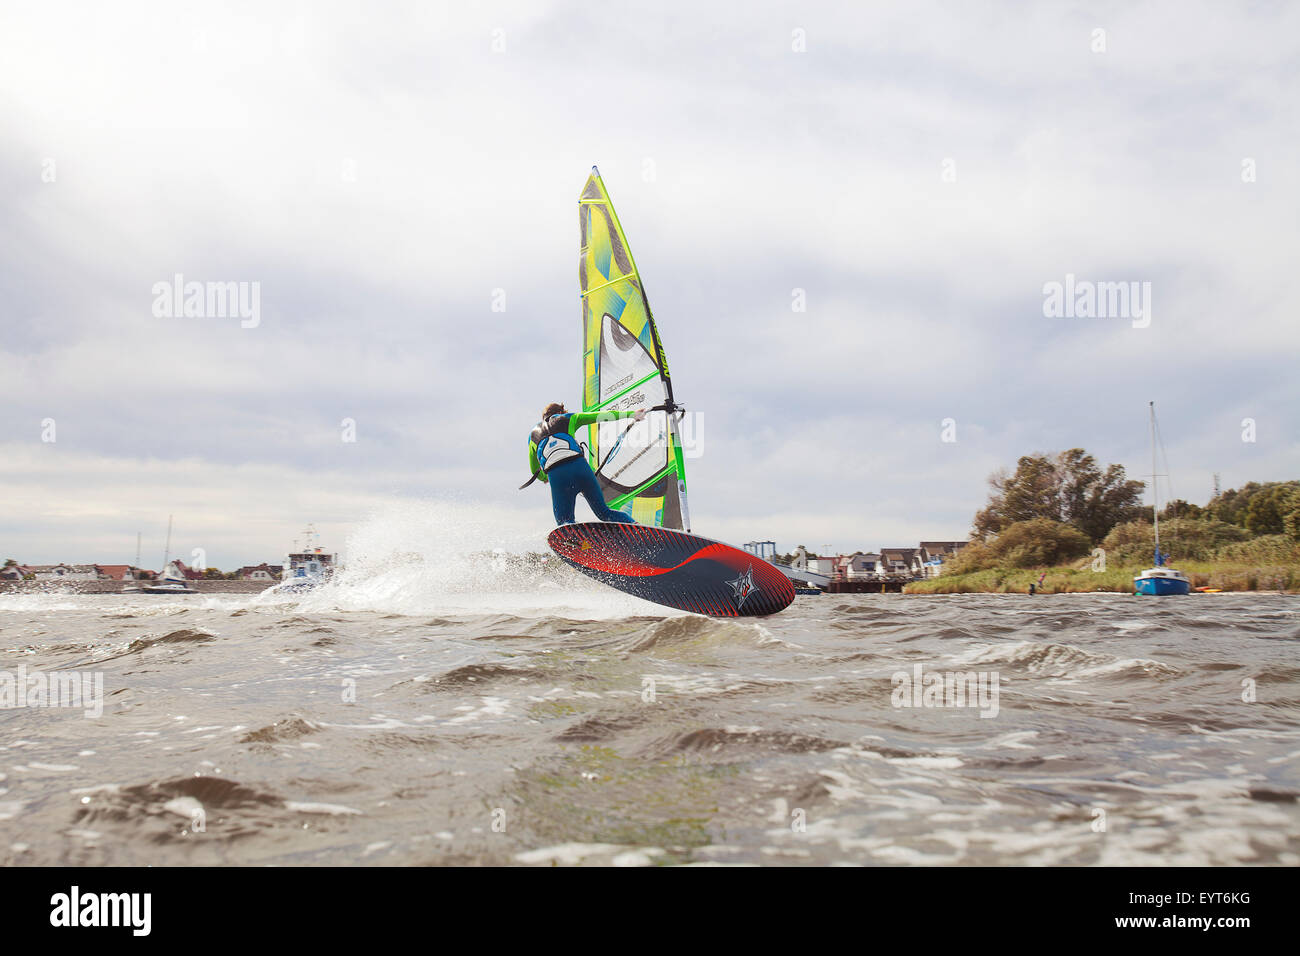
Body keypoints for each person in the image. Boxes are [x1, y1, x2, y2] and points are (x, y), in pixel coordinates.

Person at [527, 402, 645, 525]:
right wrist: (632, 414)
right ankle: (637, 527)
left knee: (564, 523)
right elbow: (600, 416)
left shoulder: (532, 436)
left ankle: (574, 542)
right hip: (580, 469)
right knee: (604, 513)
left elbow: (534, 469)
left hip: (557, 477)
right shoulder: (568, 418)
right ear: (561, 412)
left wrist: (544, 478)